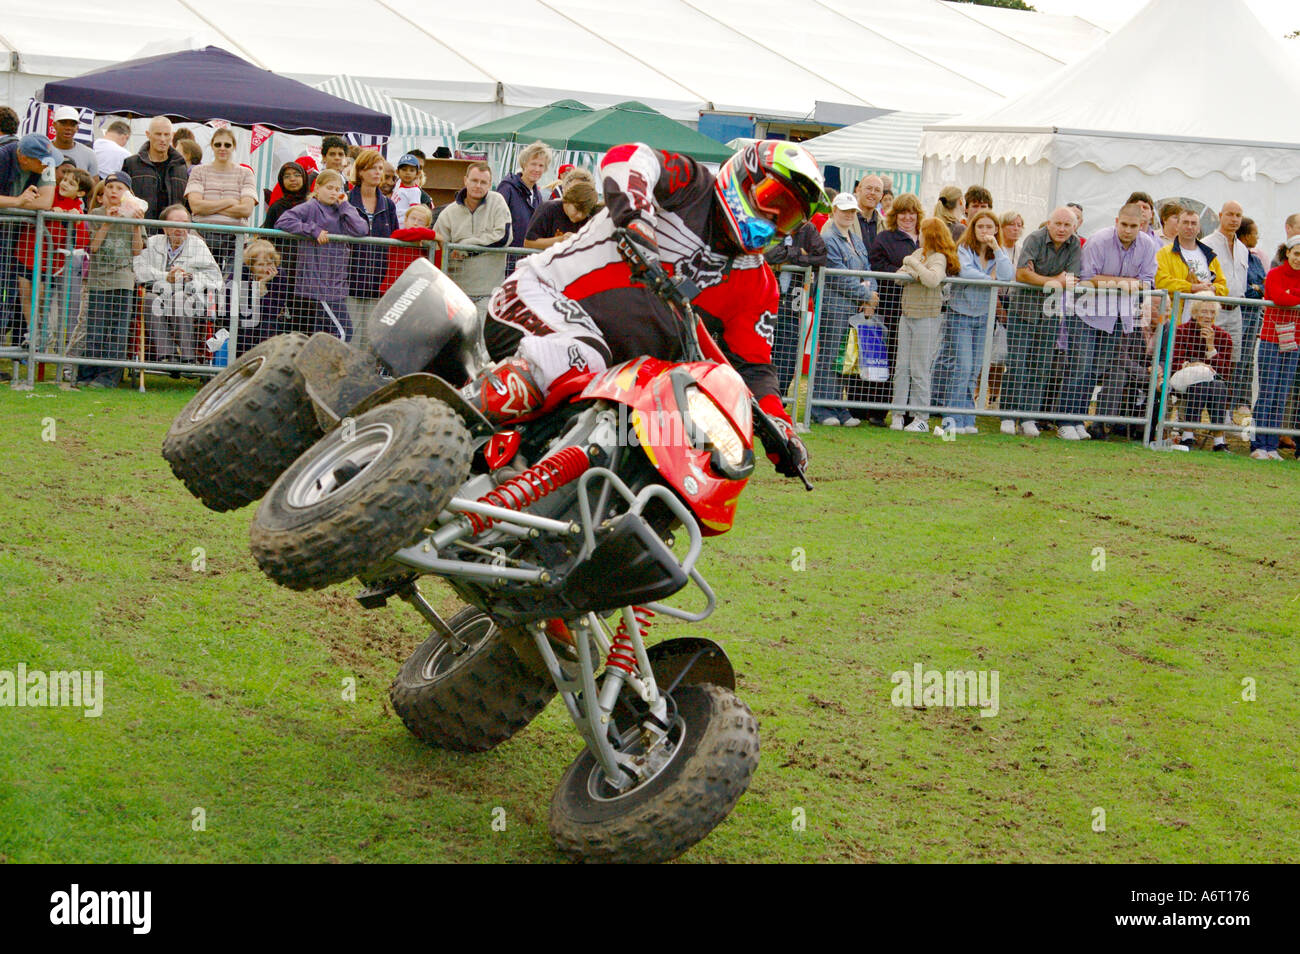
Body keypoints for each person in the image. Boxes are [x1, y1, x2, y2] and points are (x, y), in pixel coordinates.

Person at [476, 140, 825, 476]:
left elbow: (754, 367)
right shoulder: (692, 185)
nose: (774, 219)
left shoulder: (758, 283)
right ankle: (456, 411)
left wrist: (781, 429)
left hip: (609, 376)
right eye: (773, 200)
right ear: (745, 177)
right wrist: (637, 219)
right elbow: (627, 156)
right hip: (538, 297)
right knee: (584, 354)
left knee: (659, 440)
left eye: (790, 217)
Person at [1065, 203, 1158, 440]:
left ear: (1141, 226)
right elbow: (1086, 279)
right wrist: (1123, 282)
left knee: (1097, 370)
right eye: (1124, 224)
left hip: (1118, 318)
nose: (1127, 230)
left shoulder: (1147, 245)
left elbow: (1147, 282)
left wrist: (1117, 282)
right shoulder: (1099, 240)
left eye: (1133, 226)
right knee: (1080, 367)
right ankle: (1066, 421)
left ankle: (1079, 421)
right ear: (1117, 221)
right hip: (1087, 314)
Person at [1003, 208, 1083, 437]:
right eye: (1057, 223)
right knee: (1017, 364)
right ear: (1049, 223)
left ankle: (1029, 417)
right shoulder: (1034, 239)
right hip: (1023, 311)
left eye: (1067, 225)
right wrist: (1054, 280)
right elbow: (1021, 274)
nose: (1061, 229)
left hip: (1050, 313)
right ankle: (1008, 415)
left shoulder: (1075, 244)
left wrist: (1041, 278)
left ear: (1074, 227)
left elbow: (1072, 278)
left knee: (1041, 366)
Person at [274, 170, 367, 341]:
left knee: (321, 336)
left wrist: (345, 205)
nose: (334, 192)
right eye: (329, 187)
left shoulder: (341, 209)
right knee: (343, 333)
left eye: (338, 189)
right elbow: (283, 220)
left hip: (336, 284)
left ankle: (317, 367)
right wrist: (312, 230)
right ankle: (332, 367)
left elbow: (361, 229)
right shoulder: (310, 207)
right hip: (319, 286)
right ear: (317, 188)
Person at [943, 210, 1013, 435]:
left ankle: (968, 419)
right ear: (973, 228)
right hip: (960, 314)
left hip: (983, 317)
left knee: (973, 370)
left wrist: (998, 250)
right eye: (980, 226)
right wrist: (990, 281)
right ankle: (951, 422)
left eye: (989, 227)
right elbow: (965, 272)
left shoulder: (995, 254)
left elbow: (1006, 275)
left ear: (996, 230)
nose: (985, 231)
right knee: (961, 368)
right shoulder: (964, 249)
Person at [814, 191, 876, 426]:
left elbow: (867, 269)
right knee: (830, 357)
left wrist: (870, 297)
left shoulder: (855, 239)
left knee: (844, 358)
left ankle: (838, 407)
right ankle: (822, 408)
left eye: (852, 211)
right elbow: (839, 277)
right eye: (845, 210)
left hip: (853, 308)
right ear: (834, 211)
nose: (849, 215)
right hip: (834, 306)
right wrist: (868, 294)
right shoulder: (828, 238)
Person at [77, 171, 144, 388]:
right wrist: (107, 222)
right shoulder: (96, 213)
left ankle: (109, 377)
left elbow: (136, 251)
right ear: (103, 191)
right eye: (110, 187)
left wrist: (135, 226)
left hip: (123, 279)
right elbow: (93, 247)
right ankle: (87, 374)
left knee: (118, 330)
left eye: (120, 188)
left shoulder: (135, 214)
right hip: (98, 278)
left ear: (128, 193)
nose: (114, 191)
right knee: (95, 327)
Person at [134, 204, 223, 367]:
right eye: (175, 223)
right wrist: (166, 277)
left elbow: (215, 278)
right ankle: (168, 355)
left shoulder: (198, 245)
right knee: (149, 299)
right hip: (158, 293)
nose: (181, 228)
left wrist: (191, 279)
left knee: (180, 299)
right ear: (165, 227)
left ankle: (188, 357)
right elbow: (138, 270)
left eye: (185, 223)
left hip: (191, 297)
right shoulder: (152, 243)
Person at [895, 216, 959, 432]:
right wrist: (915, 269)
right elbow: (897, 277)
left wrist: (912, 266)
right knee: (902, 366)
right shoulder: (918, 254)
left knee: (920, 368)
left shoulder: (937, 257)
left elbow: (933, 279)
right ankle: (898, 413)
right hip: (908, 315)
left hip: (926, 318)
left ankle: (921, 416)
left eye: (921, 231)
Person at [867, 192, 922, 426]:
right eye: (902, 212)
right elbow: (877, 265)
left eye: (911, 212)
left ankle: (910, 412)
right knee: (889, 358)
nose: (907, 217)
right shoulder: (885, 238)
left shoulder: (925, 238)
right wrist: (905, 273)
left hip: (918, 308)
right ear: (895, 215)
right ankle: (880, 411)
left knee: (914, 361)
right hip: (891, 306)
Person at [0, 134, 58, 345]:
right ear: (23, 158)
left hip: (13, 236)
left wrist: (8, 205)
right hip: (7, 234)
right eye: (41, 160)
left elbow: (44, 201)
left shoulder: (48, 163)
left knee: (8, 298)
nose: (48, 164)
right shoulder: (2, 157)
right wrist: (18, 200)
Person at [435, 162, 511, 322]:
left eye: (483, 182)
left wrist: (466, 246)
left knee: (482, 345)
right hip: (456, 293)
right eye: (474, 180)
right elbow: (438, 247)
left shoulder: (497, 201)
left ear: (490, 184)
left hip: (489, 294)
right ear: (465, 180)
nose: (478, 185)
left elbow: (503, 237)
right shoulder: (448, 213)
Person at [764, 216, 827, 396]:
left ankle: (778, 399)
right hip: (765, 304)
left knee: (787, 357)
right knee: (761, 355)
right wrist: (798, 253)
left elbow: (821, 257)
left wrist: (786, 257)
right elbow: (765, 253)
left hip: (791, 306)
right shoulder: (767, 223)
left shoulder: (808, 229)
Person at [1252, 235, 1300, 460]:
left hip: (1294, 342)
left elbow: (1286, 297)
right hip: (1271, 339)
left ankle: (1272, 445)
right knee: (1267, 391)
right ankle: (1258, 444)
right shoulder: (1274, 274)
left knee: (1281, 395)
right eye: (1296, 253)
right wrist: (1291, 296)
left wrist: (1293, 295)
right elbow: (1278, 296)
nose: (1299, 259)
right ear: (1287, 253)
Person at [183, 126, 256, 275]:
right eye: (218, 144)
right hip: (203, 235)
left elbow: (246, 209)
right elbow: (195, 206)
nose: (222, 148)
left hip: (235, 238)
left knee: (230, 285)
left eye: (227, 145)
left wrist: (208, 207)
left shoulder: (245, 173)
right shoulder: (198, 171)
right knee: (203, 281)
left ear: (233, 146)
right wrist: (229, 202)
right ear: (212, 146)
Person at [344, 149, 398, 348]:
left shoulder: (389, 205)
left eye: (380, 168)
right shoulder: (347, 200)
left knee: (371, 339)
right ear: (360, 172)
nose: (377, 172)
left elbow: (395, 240)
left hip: (379, 281)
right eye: (372, 168)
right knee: (351, 336)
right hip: (351, 280)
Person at [1169, 296, 1232, 451]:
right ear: (1195, 313)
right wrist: (1192, 364)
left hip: (1214, 384)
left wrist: (1211, 347)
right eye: (1204, 311)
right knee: (1200, 386)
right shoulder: (1181, 331)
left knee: (1218, 387)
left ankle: (1219, 441)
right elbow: (1174, 362)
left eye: (1212, 312)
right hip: (1184, 381)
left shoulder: (1223, 336)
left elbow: (1224, 372)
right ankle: (1188, 436)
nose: (1208, 316)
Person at [1202, 201, 1249, 402]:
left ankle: (1225, 408)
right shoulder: (1206, 244)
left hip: (1236, 311)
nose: (1234, 219)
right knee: (1206, 354)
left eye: (1238, 215)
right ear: (1220, 215)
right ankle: (1195, 410)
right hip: (1214, 309)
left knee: (1232, 359)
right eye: (1230, 214)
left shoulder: (1243, 248)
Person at [1156, 208, 1229, 325]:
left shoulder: (1209, 255)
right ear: (1177, 226)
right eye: (1185, 222)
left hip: (1204, 322)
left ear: (1199, 228)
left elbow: (1223, 286)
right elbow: (1161, 282)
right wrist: (1192, 287)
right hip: (1175, 322)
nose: (1189, 227)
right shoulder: (1164, 254)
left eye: (1193, 223)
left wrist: (1213, 289)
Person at [122, 117, 191, 225]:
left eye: (167, 134)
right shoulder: (131, 164)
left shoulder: (180, 167)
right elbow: (123, 198)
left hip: (172, 233)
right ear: (148, 134)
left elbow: (186, 203)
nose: (163, 139)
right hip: (140, 230)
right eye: (158, 134)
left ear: (172, 135)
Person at [1239, 216, 1268, 417]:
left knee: (1248, 360)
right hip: (1239, 315)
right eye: (1255, 233)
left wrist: (1258, 287)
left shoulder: (1255, 259)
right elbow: (1243, 289)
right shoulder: (1237, 257)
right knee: (1236, 358)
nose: (1257, 237)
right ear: (1246, 235)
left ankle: (1243, 403)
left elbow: (1265, 285)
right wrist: (1257, 288)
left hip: (1254, 316)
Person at [523, 179, 600, 250]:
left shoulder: (589, 218)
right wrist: (561, 240)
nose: (579, 215)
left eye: (584, 213)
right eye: (577, 209)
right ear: (568, 200)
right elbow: (528, 243)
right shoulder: (548, 209)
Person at [382, 204, 440, 295]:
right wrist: (435, 236)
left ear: (427, 226)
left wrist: (437, 248)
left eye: (421, 222)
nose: (415, 223)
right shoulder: (398, 235)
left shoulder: (426, 246)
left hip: (415, 292)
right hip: (394, 289)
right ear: (405, 220)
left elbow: (437, 266)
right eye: (413, 218)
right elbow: (418, 232)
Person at [49, 106, 98, 179]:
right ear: (54, 125)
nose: (68, 128)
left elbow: (94, 187)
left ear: (77, 128)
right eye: (63, 123)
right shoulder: (42, 151)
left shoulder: (89, 154)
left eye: (72, 124)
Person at [391, 153, 432, 222]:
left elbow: (415, 212)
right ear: (397, 172)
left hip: (405, 226)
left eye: (412, 170)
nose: (408, 173)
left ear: (417, 174)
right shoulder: (397, 187)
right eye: (404, 169)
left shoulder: (414, 191)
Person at [854, 175, 885, 250]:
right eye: (869, 188)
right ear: (858, 190)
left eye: (877, 190)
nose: (872, 193)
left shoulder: (885, 226)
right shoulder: (842, 219)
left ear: (881, 195)